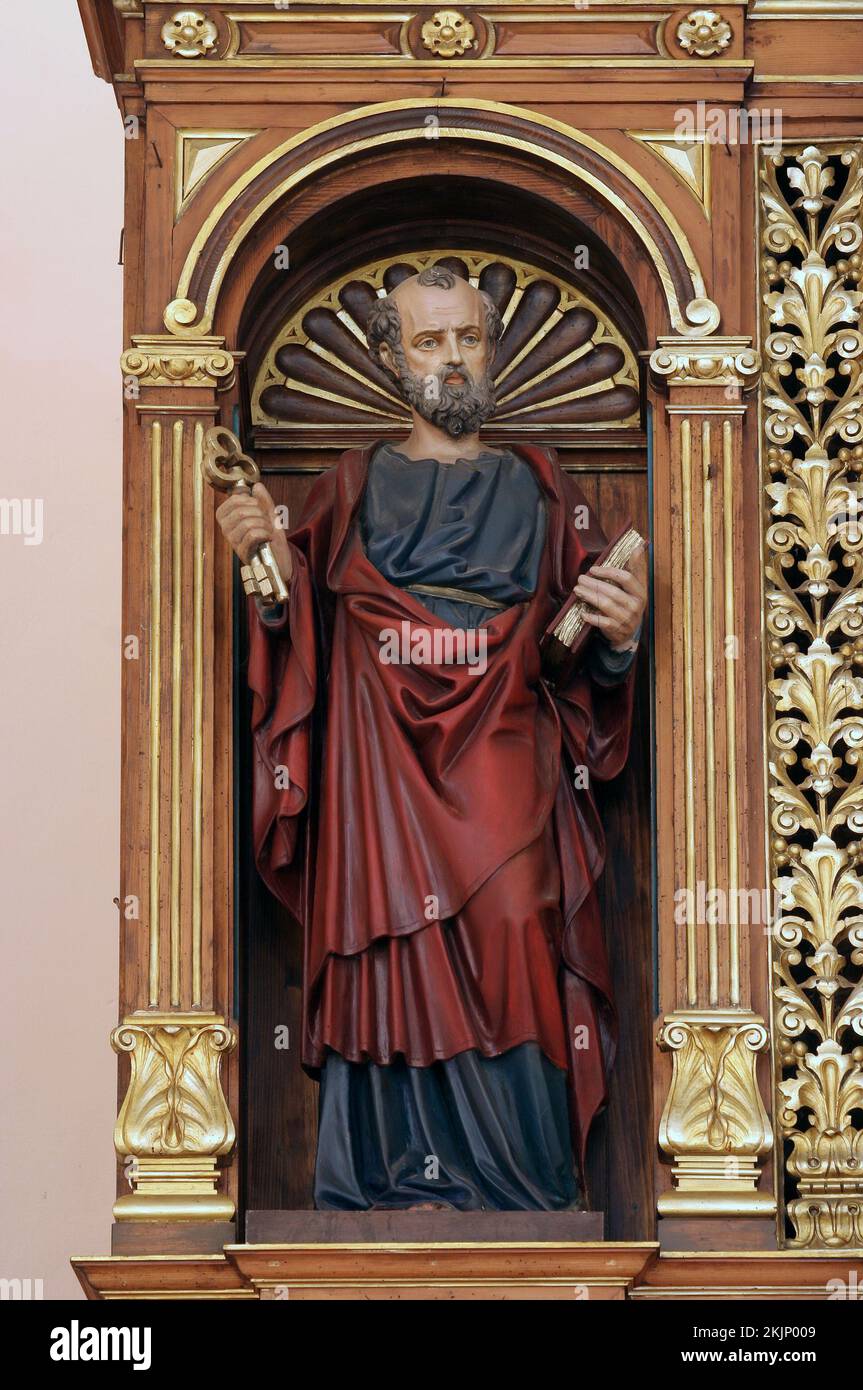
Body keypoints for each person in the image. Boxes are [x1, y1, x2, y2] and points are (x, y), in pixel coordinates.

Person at [216, 265, 647, 1210]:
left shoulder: (540, 486)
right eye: (427, 341)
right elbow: (292, 635)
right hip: (378, 772)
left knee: (514, 931)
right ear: (389, 358)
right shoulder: (349, 484)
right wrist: (257, 552)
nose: (451, 361)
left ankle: (529, 1190)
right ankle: (381, 1183)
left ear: (490, 348)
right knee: (384, 950)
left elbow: (577, 658)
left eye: (466, 340)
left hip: (503, 748)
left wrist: (617, 637)